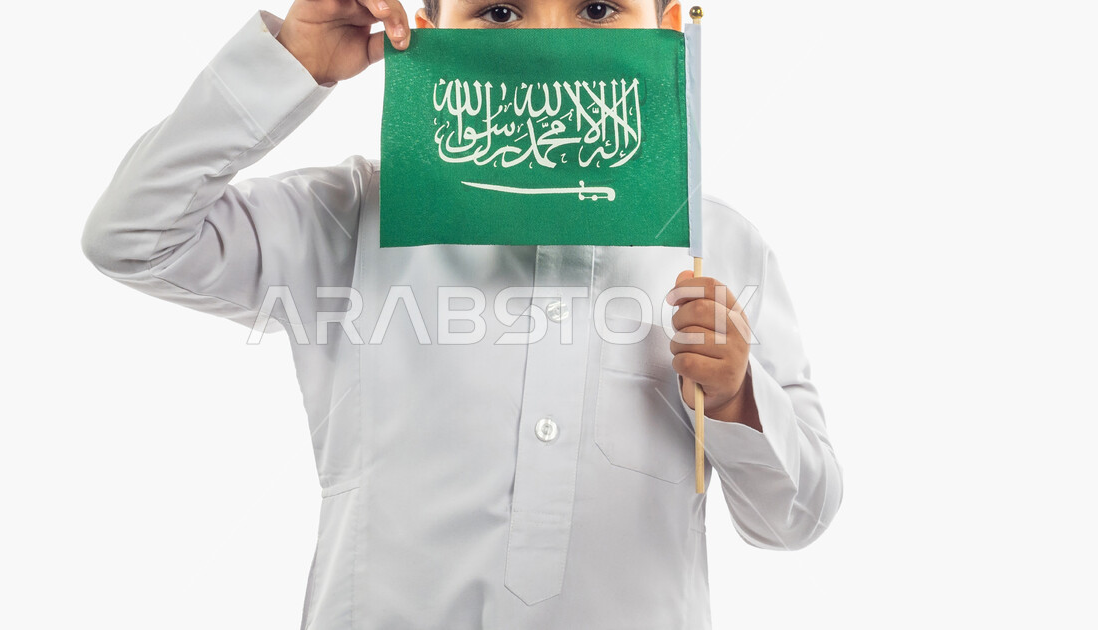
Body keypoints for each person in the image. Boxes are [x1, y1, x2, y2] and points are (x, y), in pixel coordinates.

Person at [80, 0, 843, 627]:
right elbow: (131, 236)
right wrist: (292, 64)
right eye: (500, 12)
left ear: (668, 27)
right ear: (431, 31)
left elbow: (798, 517)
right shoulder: (351, 218)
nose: (549, 47)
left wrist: (739, 398)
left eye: (597, 9)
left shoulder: (718, 247)